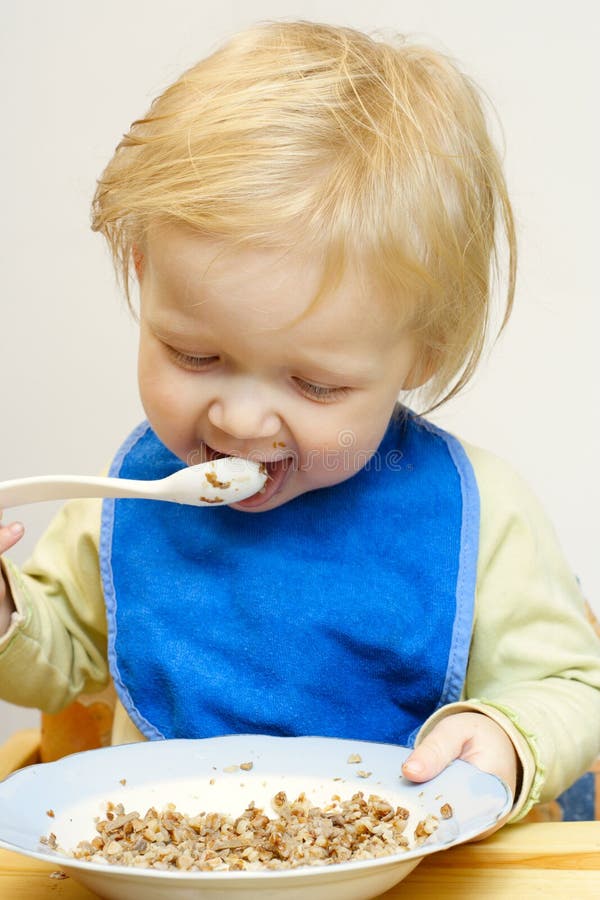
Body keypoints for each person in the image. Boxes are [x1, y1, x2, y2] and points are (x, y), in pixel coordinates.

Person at [0, 20, 598, 826]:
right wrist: (8, 616)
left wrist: (505, 733)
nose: (241, 419)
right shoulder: (128, 499)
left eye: (314, 384)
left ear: (422, 353)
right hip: (174, 869)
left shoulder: (479, 513)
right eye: (193, 355)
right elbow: (57, 660)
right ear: (144, 276)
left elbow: (572, 686)